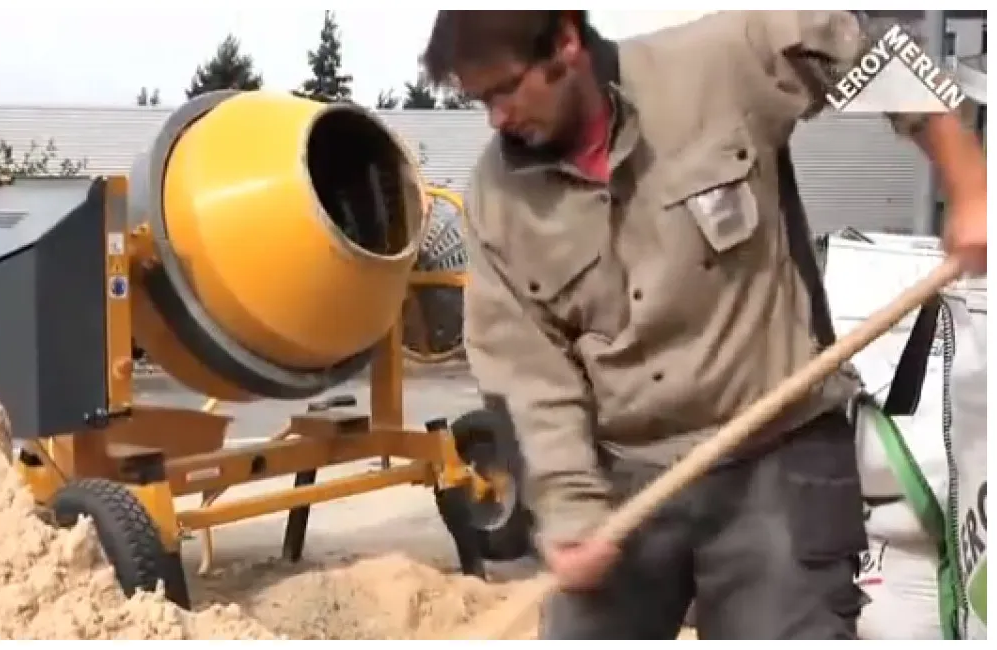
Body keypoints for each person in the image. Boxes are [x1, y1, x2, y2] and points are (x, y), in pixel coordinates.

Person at [420, 10, 987, 640]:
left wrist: (969, 186)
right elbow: (524, 373)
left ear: (564, 43)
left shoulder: (721, 67)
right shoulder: (500, 201)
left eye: (504, 90)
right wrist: (568, 507)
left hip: (775, 449)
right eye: (479, 102)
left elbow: (870, 52)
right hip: (622, 480)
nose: (496, 118)